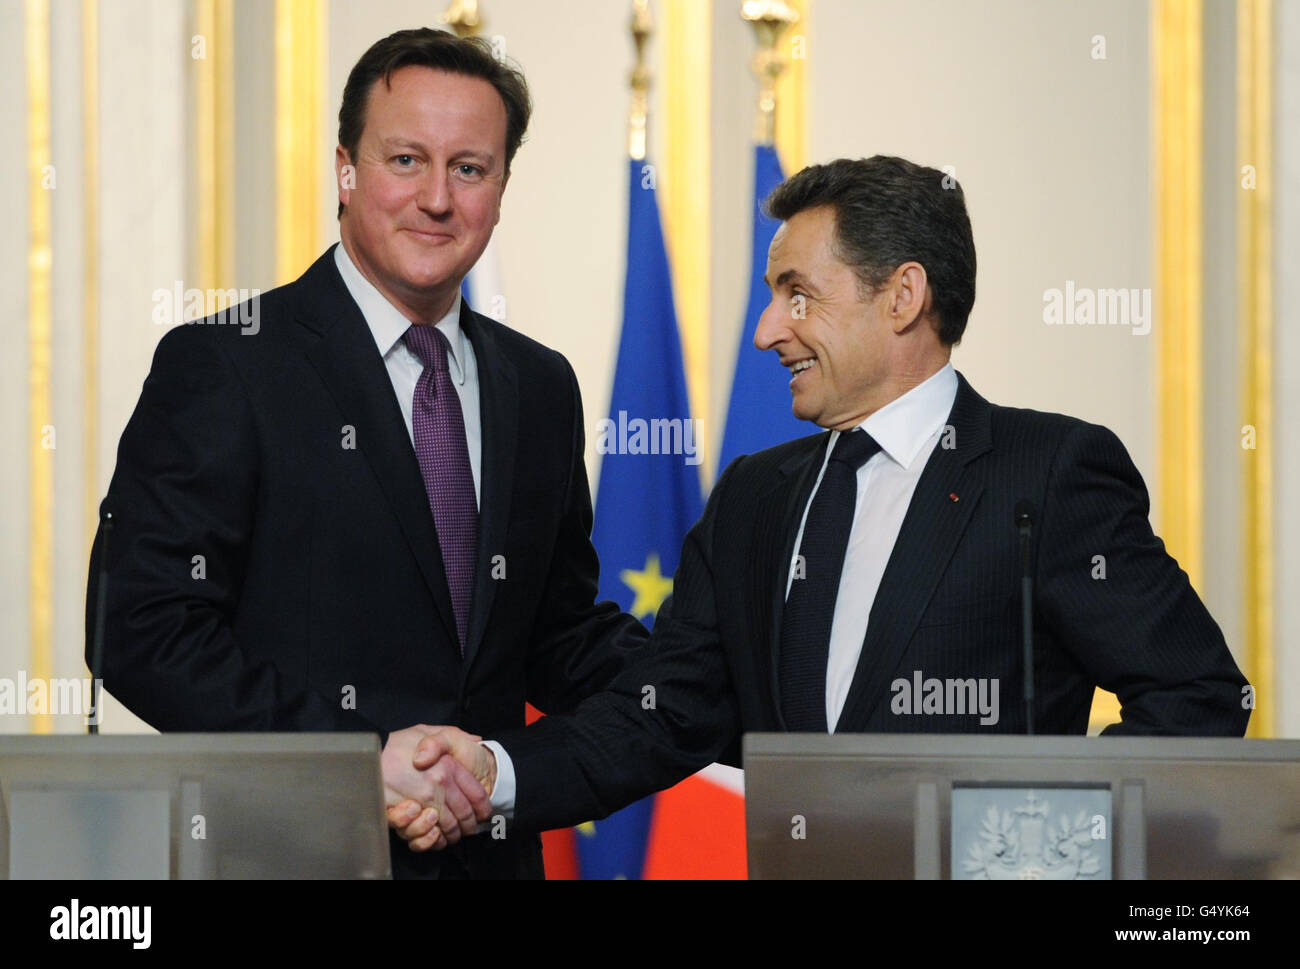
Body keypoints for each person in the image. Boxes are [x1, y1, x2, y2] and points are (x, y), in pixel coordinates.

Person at [395, 155, 1252, 845]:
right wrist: (492, 774)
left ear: (903, 296)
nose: (768, 328)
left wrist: (1025, 850)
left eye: (796, 292)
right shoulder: (755, 499)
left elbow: (1201, 698)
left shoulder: (1049, 472)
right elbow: (660, 715)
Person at [84, 27, 647, 879]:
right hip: (294, 859)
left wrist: (719, 676)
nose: (436, 198)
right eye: (405, 160)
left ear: (500, 187)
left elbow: (557, 633)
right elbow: (140, 628)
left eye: (469, 168)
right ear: (345, 168)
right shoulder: (229, 363)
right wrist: (355, 757)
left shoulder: (540, 386)